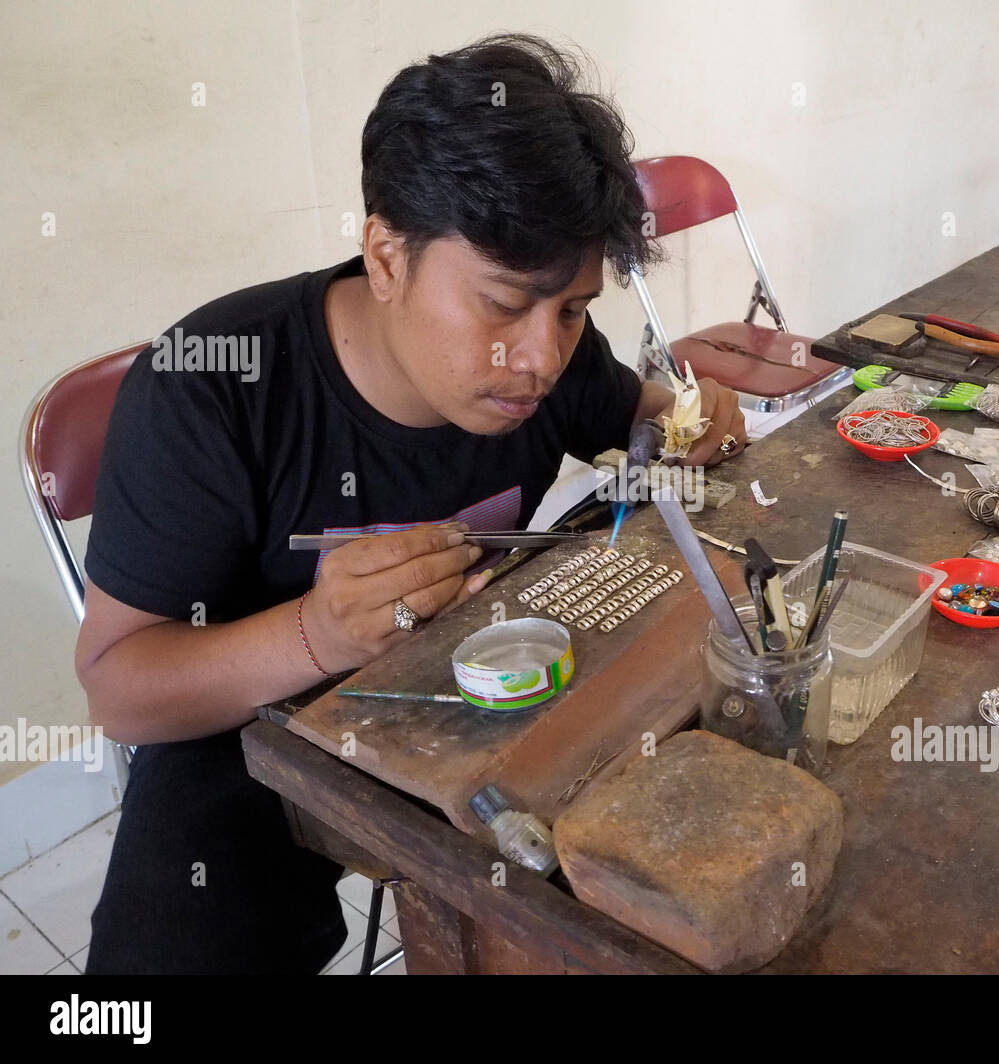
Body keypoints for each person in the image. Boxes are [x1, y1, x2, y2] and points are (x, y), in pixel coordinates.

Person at [76, 33, 747, 974]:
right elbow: (118, 688)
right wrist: (316, 635)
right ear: (386, 256)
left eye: (571, 311)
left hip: (494, 687)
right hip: (255, 719)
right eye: (505, 304)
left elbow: (637, 415)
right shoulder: (209, 388)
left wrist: (689, 417)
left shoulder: (545, 362)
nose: (541, 358)